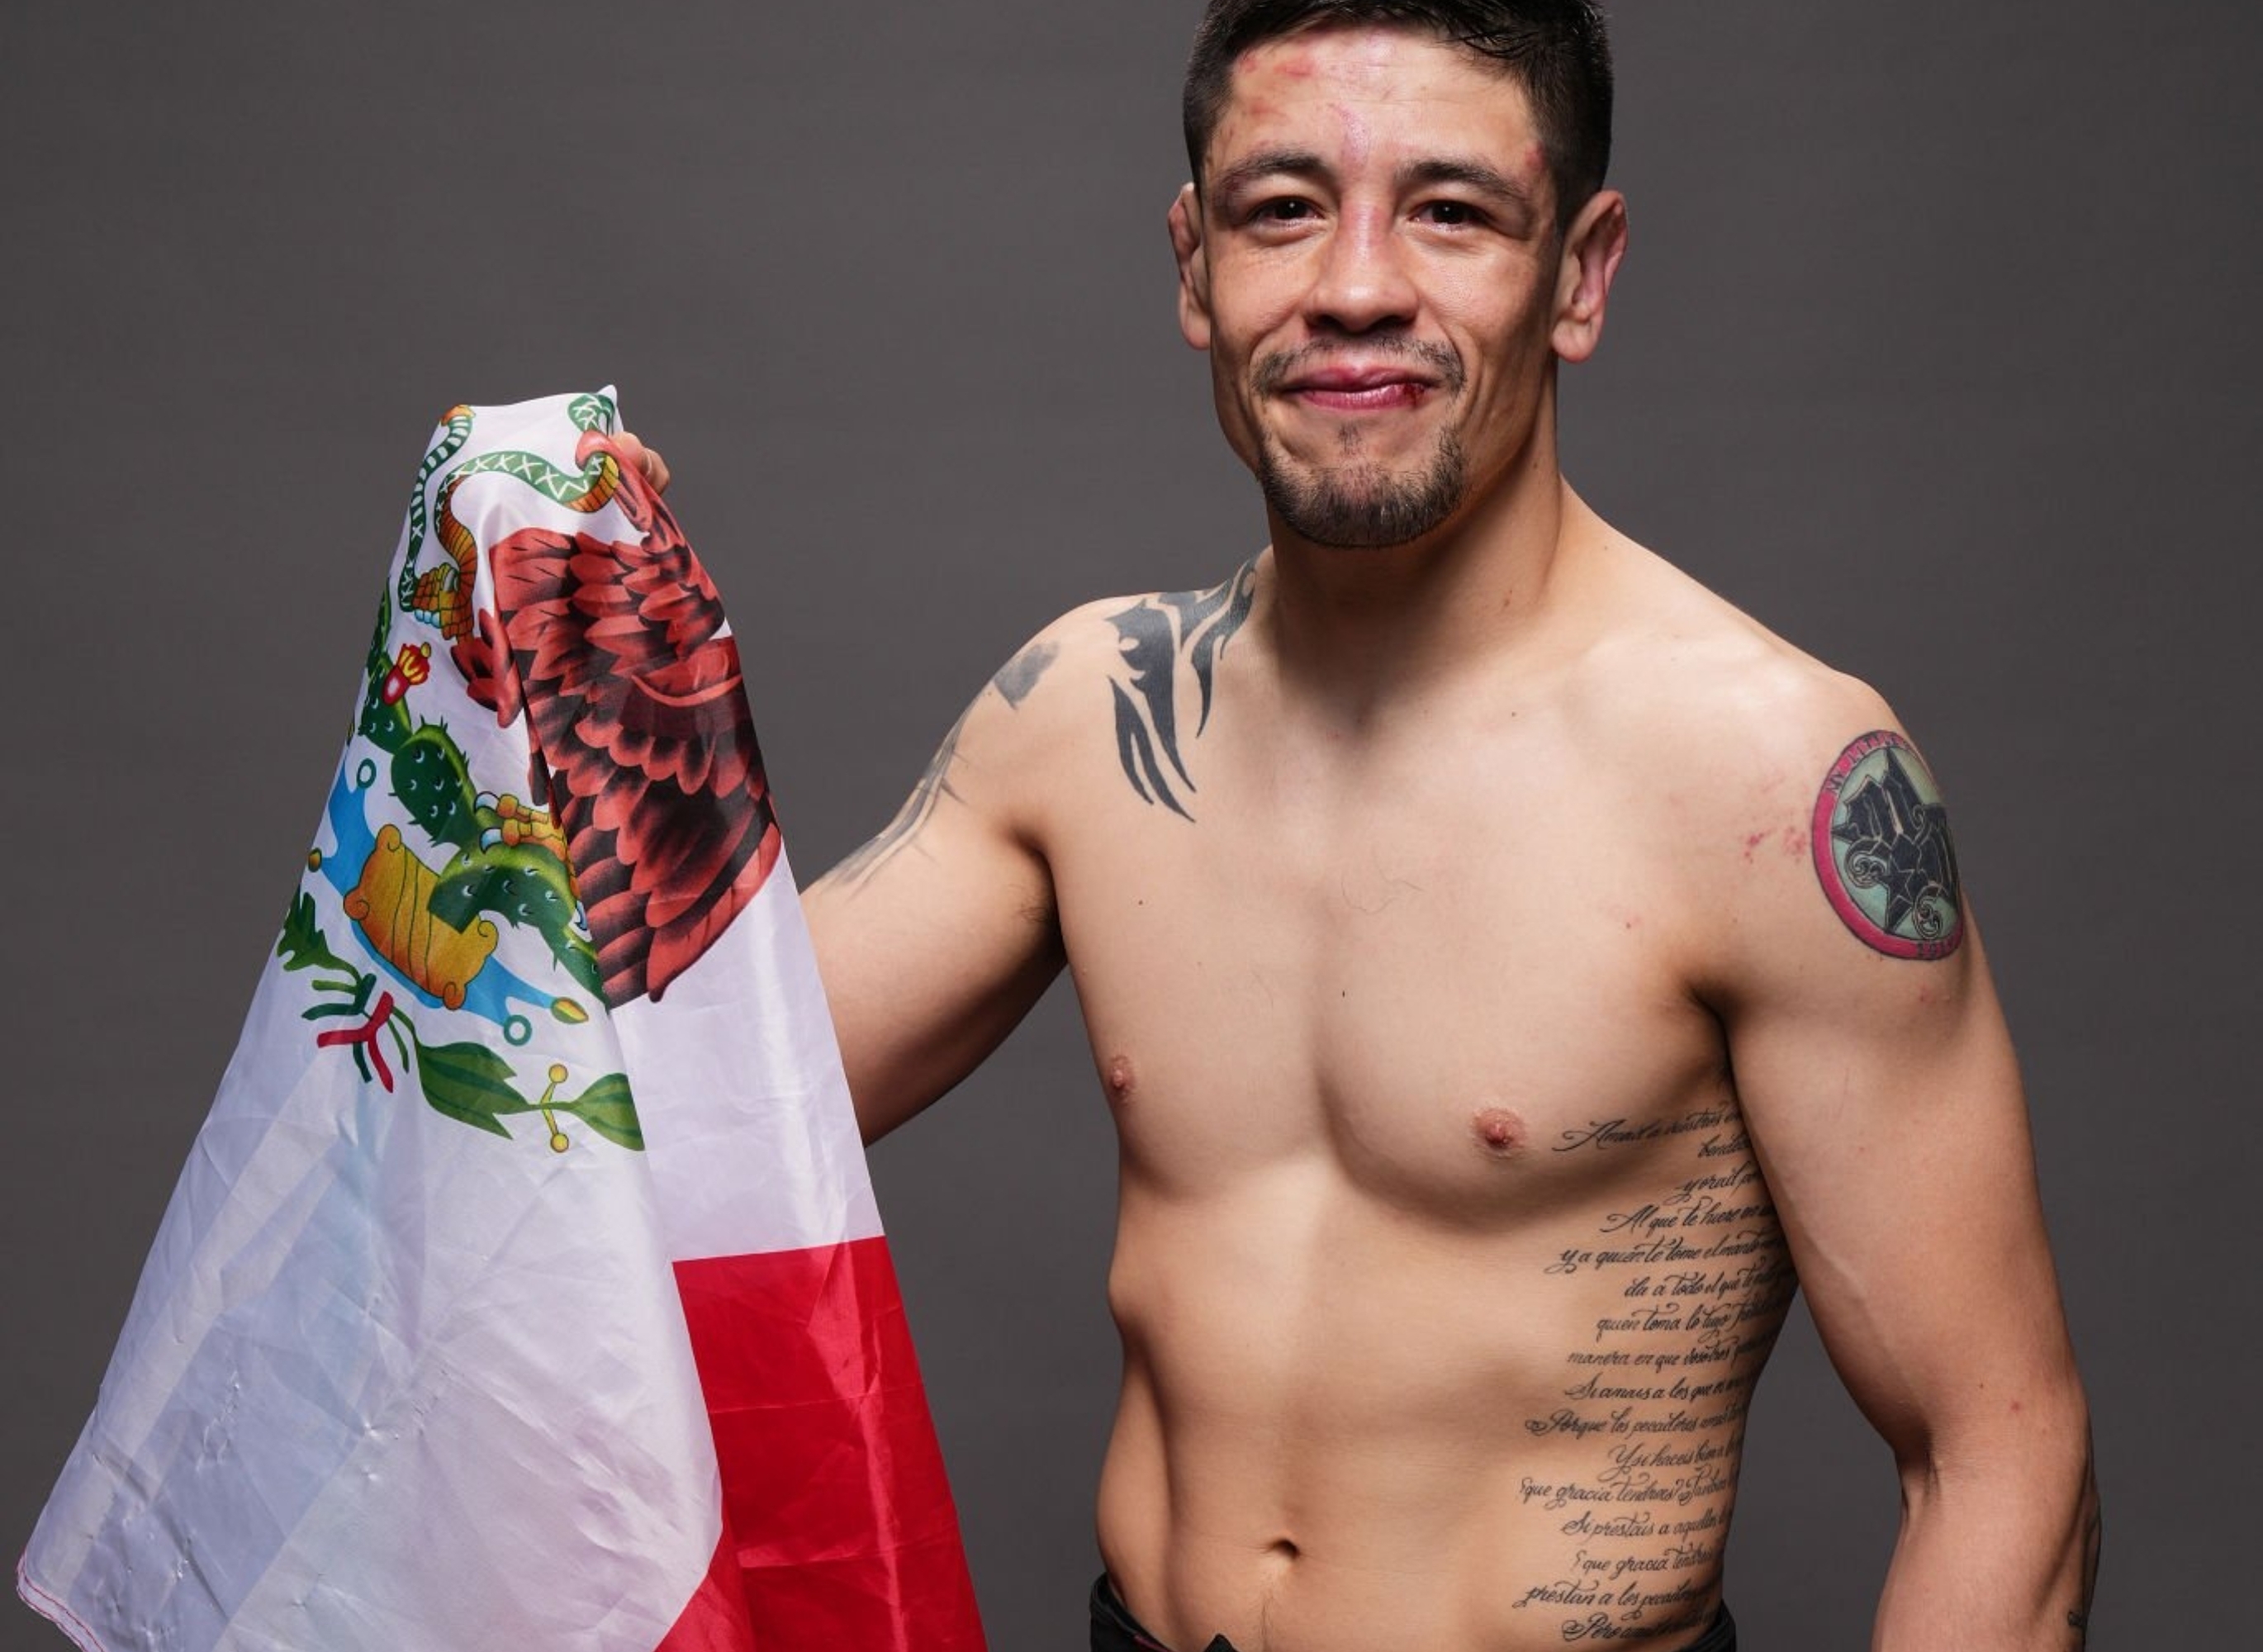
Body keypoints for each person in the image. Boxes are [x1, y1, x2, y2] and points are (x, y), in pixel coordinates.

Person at [624, 3, 2097, 1647]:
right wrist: (582, 684)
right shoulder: (1083, 720)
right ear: (1193, 267)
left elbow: (1993, 1454)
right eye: (1280, 208)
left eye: (1449, 211)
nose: (1351, 288)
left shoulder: (1770, 777)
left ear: (1581, 274)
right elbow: (657, 1122)